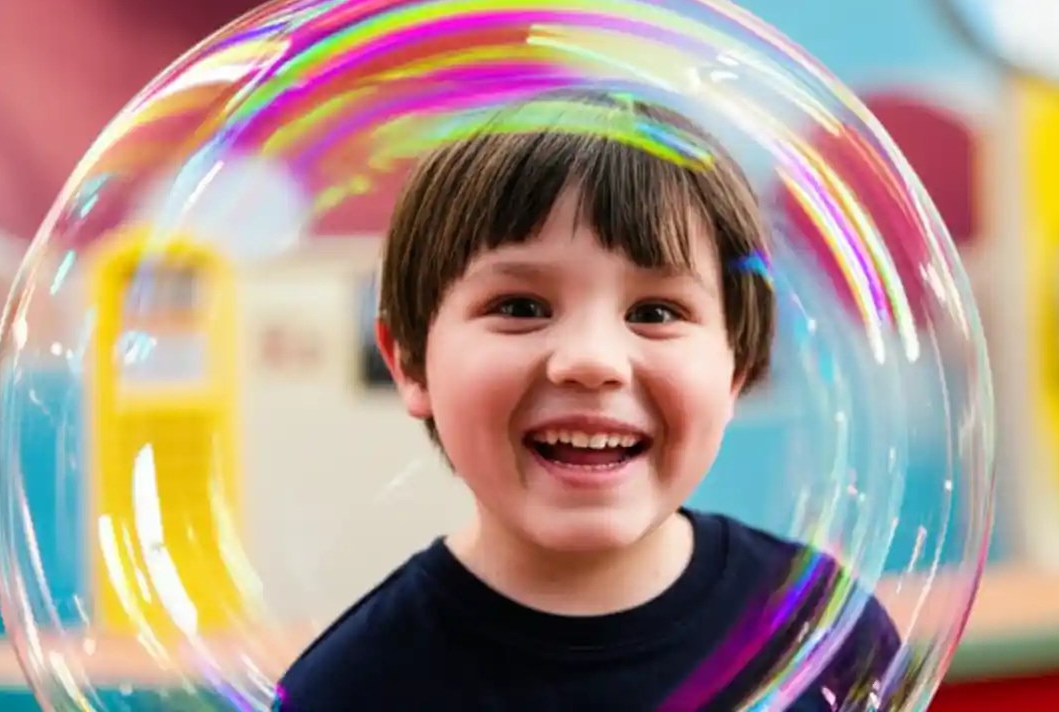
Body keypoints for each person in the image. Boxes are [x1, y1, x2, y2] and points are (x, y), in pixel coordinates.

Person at [275, 93, 900, 710]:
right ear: (410, 362)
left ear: (736, 370)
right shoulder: (348, 691)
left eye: (656, 312)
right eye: (520, 307)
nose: (592, 360)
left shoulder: (829, 640)